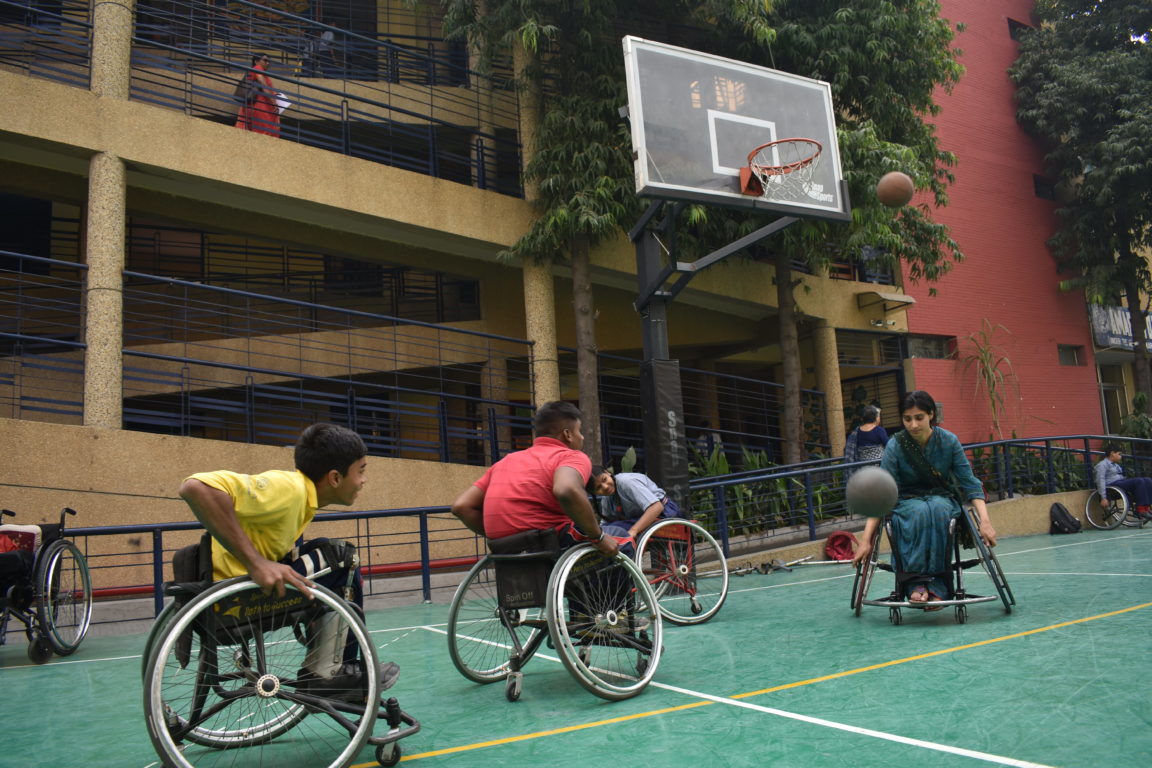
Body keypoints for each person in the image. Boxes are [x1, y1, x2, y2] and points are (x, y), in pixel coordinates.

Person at [178, 422, 398, 697]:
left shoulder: (301, 497)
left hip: (231, 600)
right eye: (361, 471)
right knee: (343, 558)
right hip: (234, 602)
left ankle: (329, 662)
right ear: (334, 478)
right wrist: (256, 563)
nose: (364, 480)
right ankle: (333, 672)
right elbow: (194, 487)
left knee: (320, 550)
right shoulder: (288, 488)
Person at [851, 390, 997, 608]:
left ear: (931, 415)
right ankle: (915, 585)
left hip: (942, 498)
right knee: (919, 512)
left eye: (919, 417)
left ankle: (939, 586)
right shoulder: (895, 445)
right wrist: (865, 540)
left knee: (937, 509)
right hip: (906, 502)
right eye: (907, 419)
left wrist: (985, 522)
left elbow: (970, 483)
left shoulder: (949, 441)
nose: (913, 425)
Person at [450, 401, 619, 558]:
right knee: (621, 538)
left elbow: (461, 506)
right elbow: (566, 489)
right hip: (548, 539)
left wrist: (505, 536)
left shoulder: (506, 461)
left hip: (505, 547)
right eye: (579, 431)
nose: (581, 437)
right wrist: (598, 537)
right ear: (567, 434)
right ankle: (617, 591)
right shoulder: (570, 456)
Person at [586, 466, 682, 546]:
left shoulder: (625, 482)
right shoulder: (607, 498)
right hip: (639, 517)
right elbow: (605, 525)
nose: (605, 487)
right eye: (599, 488)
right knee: (604, 531)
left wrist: (633, 531)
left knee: (617, 530)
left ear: (607, 473)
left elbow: (656, 507)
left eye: (604, 479)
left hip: (664, 512)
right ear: (594, 493)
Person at [1093, 444, 1152, 519]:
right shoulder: (1102, 465)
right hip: (1112, 485)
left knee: (1148, 480)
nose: (1121, 456)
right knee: (1139, 481)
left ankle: (1146, 508)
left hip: (1121, 482)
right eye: (1119, 454)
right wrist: (1103, 497)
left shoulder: (1116, 465)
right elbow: (1100, 480)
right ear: (1112, 453)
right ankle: (1141, 510)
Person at [235, 53, 281, 137]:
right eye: (265, 60)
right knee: (263, 132)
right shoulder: (257, 68)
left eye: (269, 61)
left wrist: (274, 94)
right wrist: (274, 102)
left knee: (264, 131)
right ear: (256, 61)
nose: (268, 63)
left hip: (262, 107)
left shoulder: (262, 73)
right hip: (260, 107)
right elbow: (263, 84)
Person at [843, 404, 888, 478]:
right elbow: (888, 446)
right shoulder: (879, 430)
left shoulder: (856, 433)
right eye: (878, 416)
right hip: (880, 467)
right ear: (875, 418)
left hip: (864, 469)